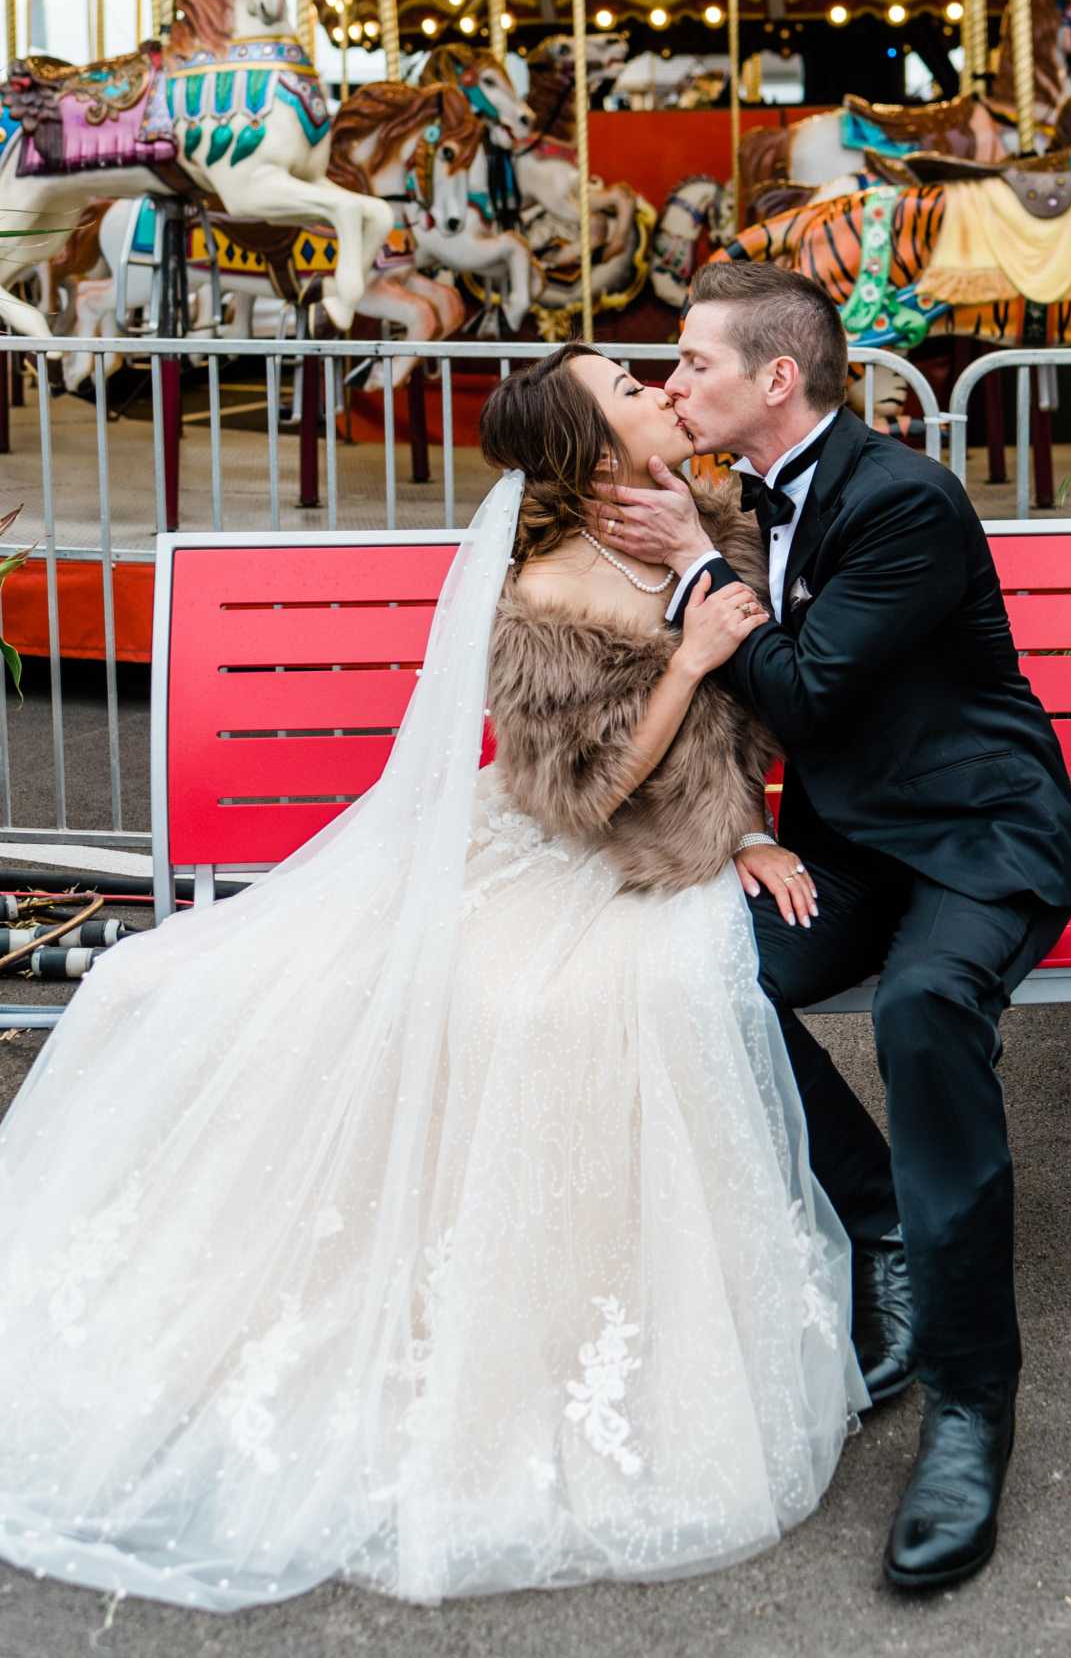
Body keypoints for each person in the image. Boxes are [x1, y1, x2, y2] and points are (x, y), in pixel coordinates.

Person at [0, 344, 865, 1614]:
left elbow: (760, 710)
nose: (662, 391)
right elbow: (581, 796)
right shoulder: (550, 597)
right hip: (559, 843)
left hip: (674, 847)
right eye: (631, 392)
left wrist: (740, 822)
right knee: (497, 1003)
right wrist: (686, 657)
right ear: (591, 457)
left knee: (631, 997)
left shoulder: (712, 513)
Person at [594, 258, 1071, 1593]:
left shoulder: (904, 501)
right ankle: (885, 1230)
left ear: (777, 377)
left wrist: (699, 568)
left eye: (692, 362)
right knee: (711, 974)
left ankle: (971, 1399)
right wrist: (747, 836)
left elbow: (805, 691)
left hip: (981, 833)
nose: (670, 381)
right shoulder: (737, 497)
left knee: (929, 1009)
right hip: (848, 845)